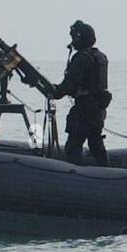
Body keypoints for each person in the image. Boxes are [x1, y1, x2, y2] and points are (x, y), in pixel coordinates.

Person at [53, 20, 111, 166]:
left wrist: (54, 91)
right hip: (98, 109)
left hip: (84, 109)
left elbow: (67, 85)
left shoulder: (82, 58)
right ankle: (106, 173)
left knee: (73, 146)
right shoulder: (100, 57)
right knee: (96, 144)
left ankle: (74, 177)